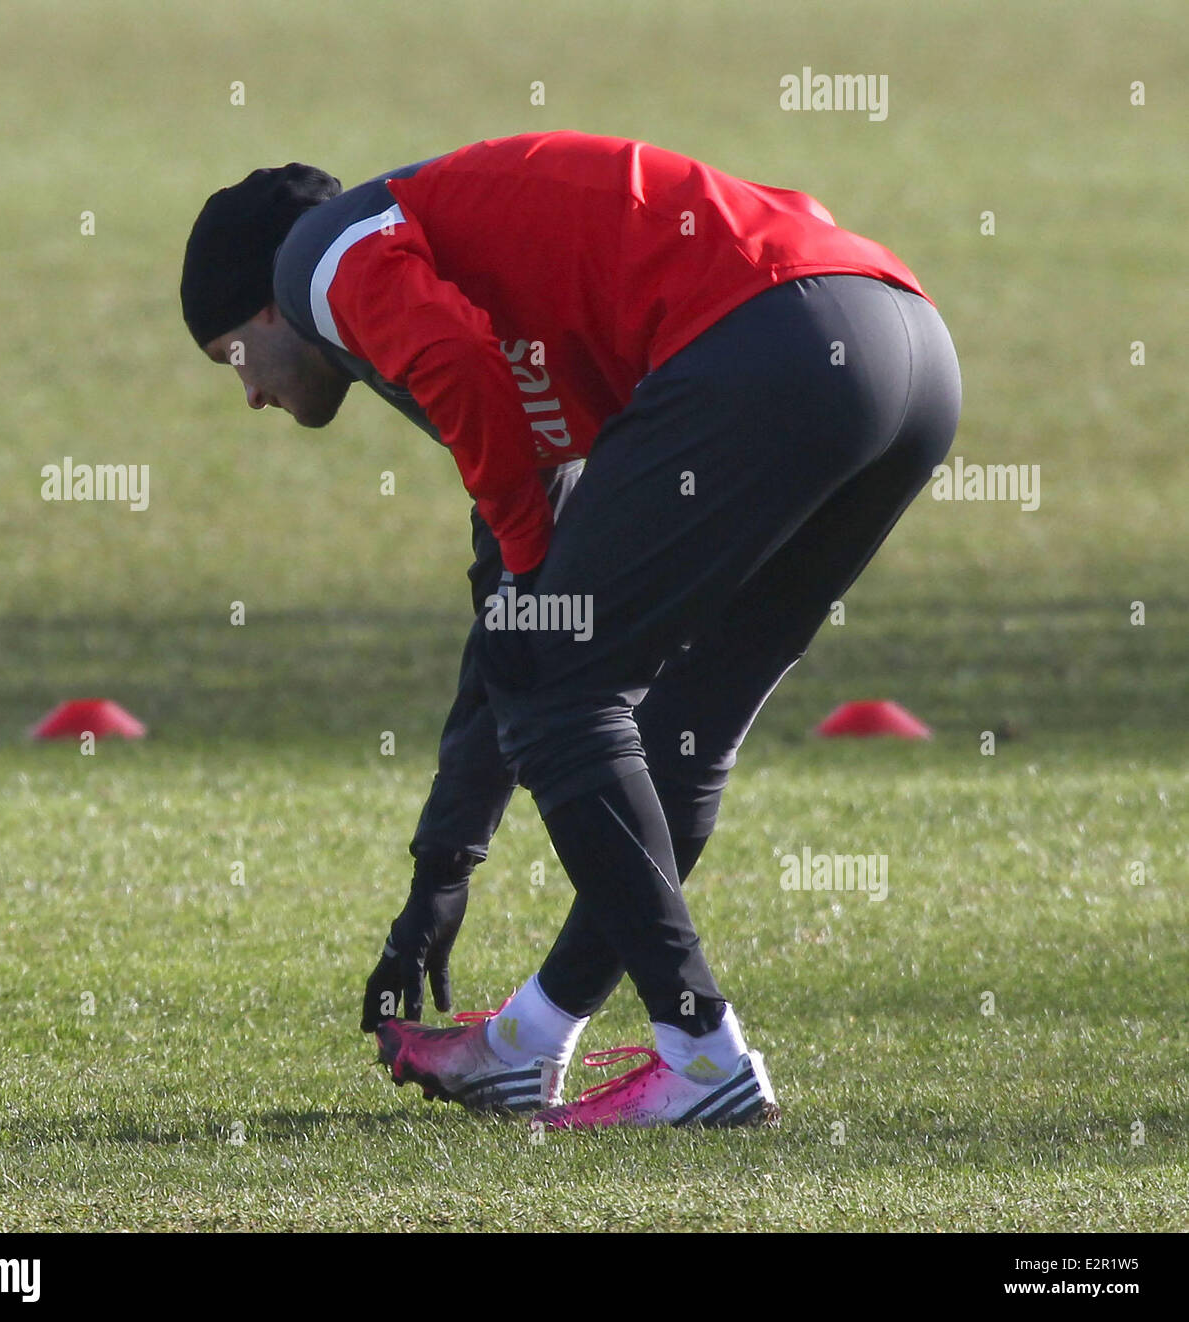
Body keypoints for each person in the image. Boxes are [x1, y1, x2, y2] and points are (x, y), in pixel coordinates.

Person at [180, 130, 961, 1129]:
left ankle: (703, 1053)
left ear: (264, 304)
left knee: (566, 688)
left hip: (780, 339)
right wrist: (440, 872)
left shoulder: (318, 259)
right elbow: (505, 606)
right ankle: (530, 1040)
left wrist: (522, 580)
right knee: (682, 720)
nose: (249, 390)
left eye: (232, 356)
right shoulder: (487, 314)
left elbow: (461, 381)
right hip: (903, 348)